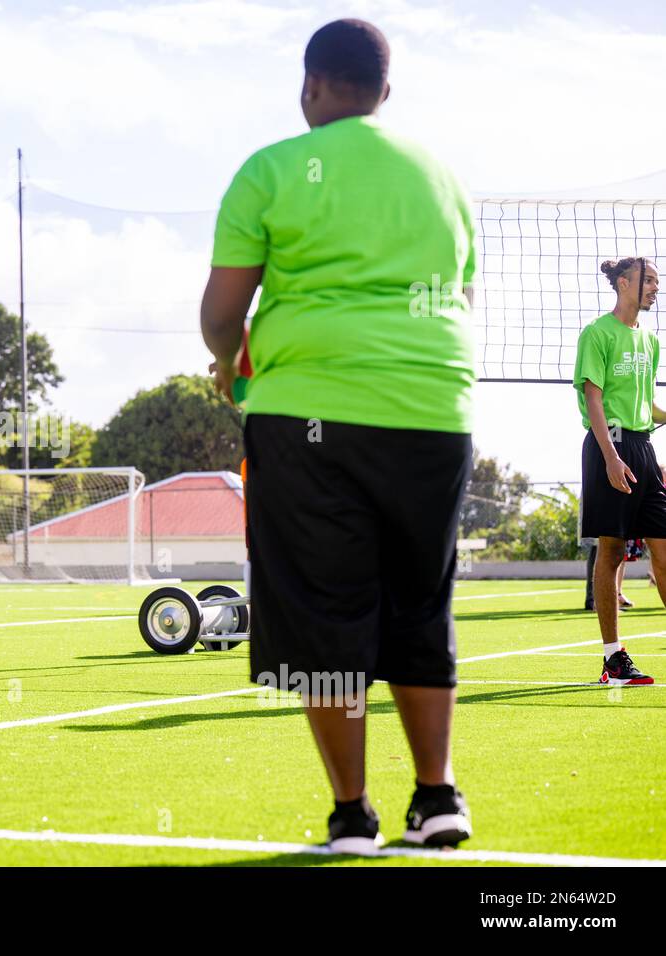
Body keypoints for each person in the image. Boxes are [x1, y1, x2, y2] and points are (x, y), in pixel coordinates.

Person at [201, 19, 476, 854]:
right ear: (384, 93)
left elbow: (222, 314)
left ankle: (352, 815)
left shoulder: (273, 168)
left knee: (325, 610)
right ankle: (437, 800)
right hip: (433, 412)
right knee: (420, 603)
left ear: (310, 84)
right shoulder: (443, 177)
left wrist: (229, 360)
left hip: (306, 414)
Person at [573, 256, 661, 685]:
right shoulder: (596, 333)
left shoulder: (651, 339)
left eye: (656, 283)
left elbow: (646, 405)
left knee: (663, 554)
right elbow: (594, 400)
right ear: (623, 284)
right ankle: (613, 659)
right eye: (647, 281)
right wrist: (610, 456)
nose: (654, 289)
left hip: (643, 447)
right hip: (610, 445)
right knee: (610, 551)